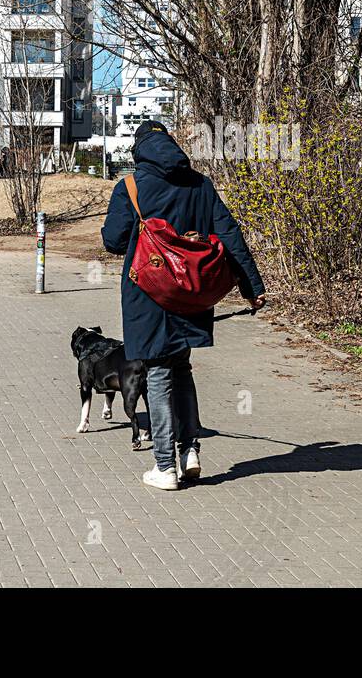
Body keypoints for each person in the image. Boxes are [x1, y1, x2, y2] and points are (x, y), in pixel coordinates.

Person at [102, 120, 266, 490]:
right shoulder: (200, 184)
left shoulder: (130, 187)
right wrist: (251, 286)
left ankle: (165, 465)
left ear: (138, 149)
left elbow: (113, 241)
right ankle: (190, 450)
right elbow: (229, 234)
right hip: (192, 289)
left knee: (158, 373)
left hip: (148, 293)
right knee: (182, 368)